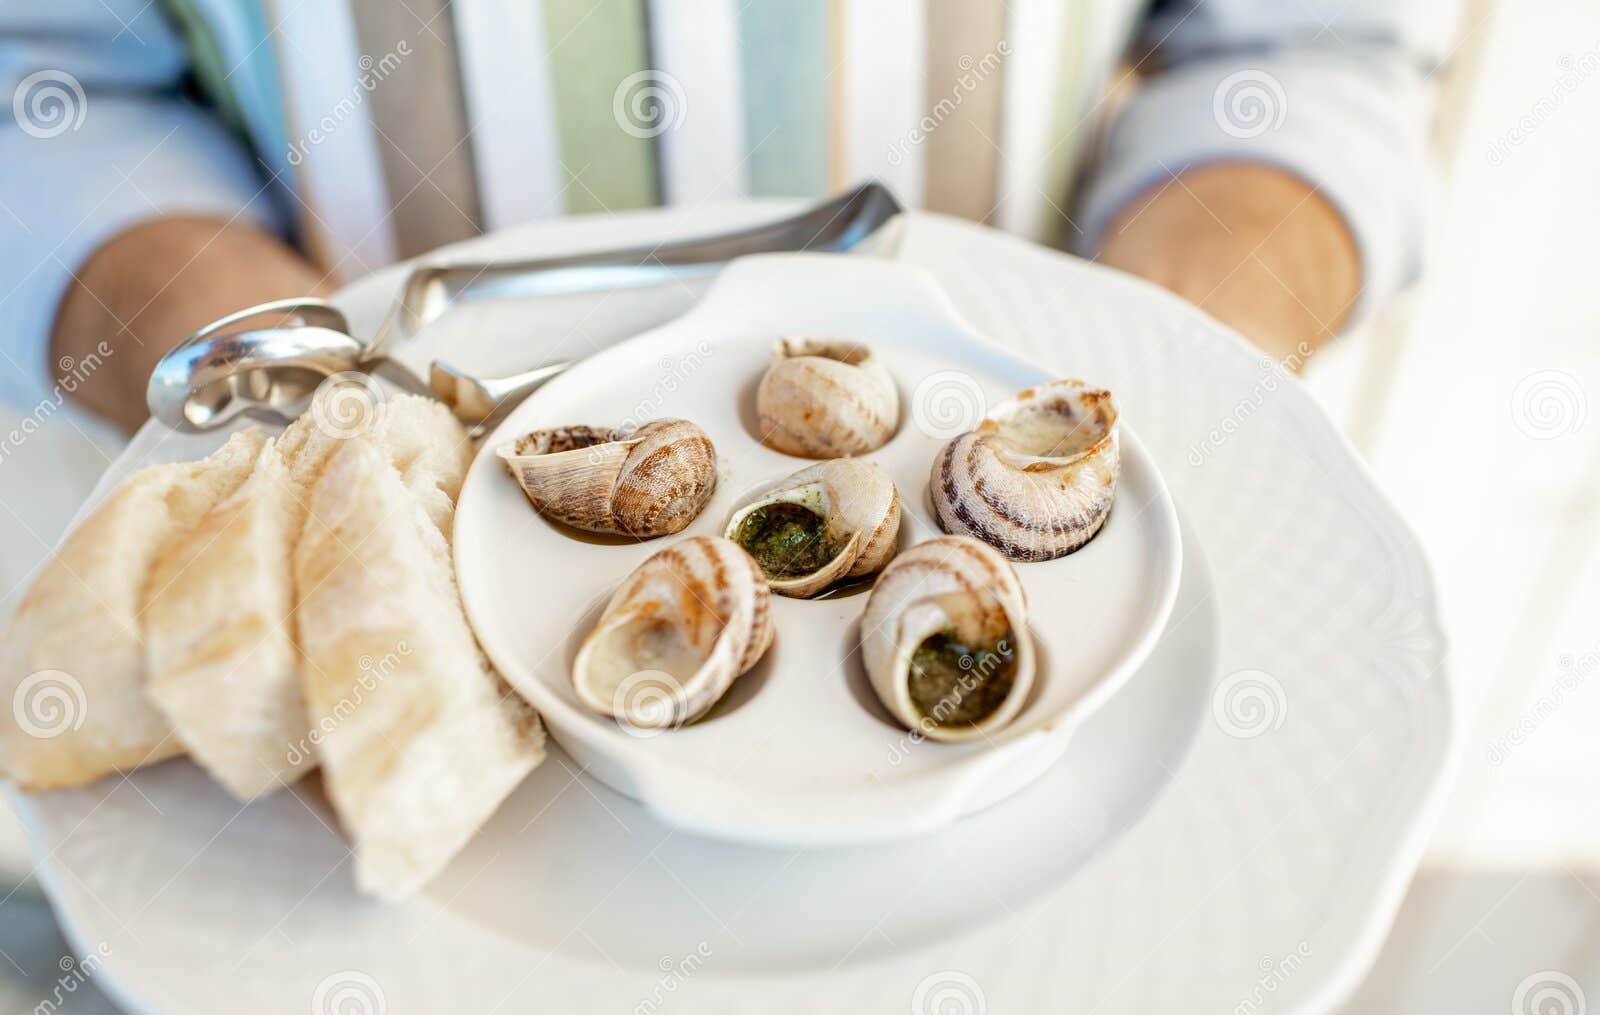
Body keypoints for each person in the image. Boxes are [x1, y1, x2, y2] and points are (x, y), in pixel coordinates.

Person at [2, 0, 1457, 433]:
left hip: (991, 499)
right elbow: (46, 81)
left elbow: (1300, 51)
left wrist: (1168, 382)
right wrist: (289, 411)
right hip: (360, 484)